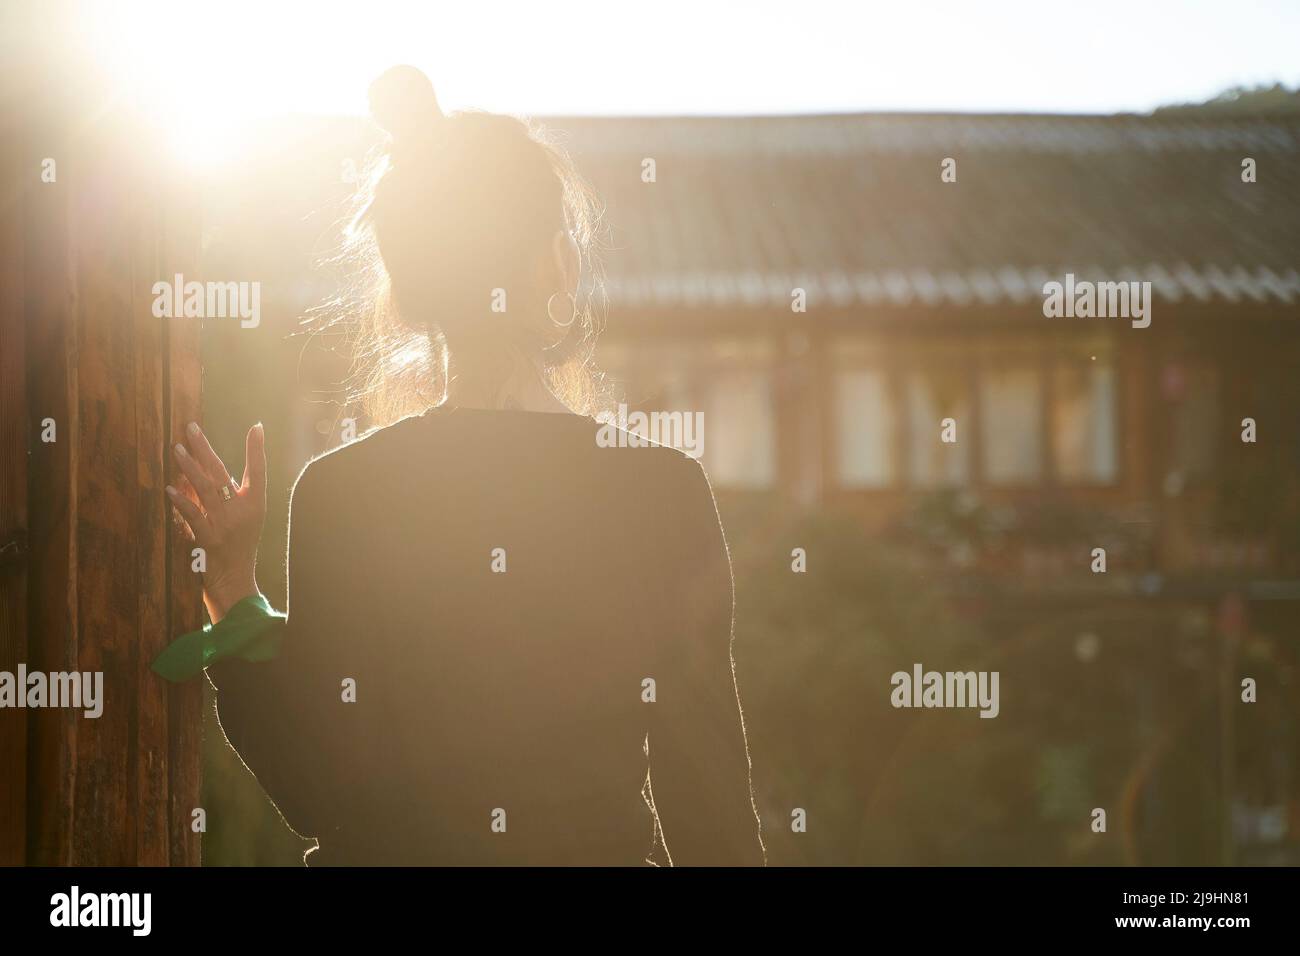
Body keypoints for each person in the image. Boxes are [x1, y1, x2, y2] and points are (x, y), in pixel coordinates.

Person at [155, 66, 765, 867]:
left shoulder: (343, 492)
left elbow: (319, 788)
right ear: (557, 267)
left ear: (408, 291)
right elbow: (712, 814)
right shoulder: (659, 490)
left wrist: (233, 587)